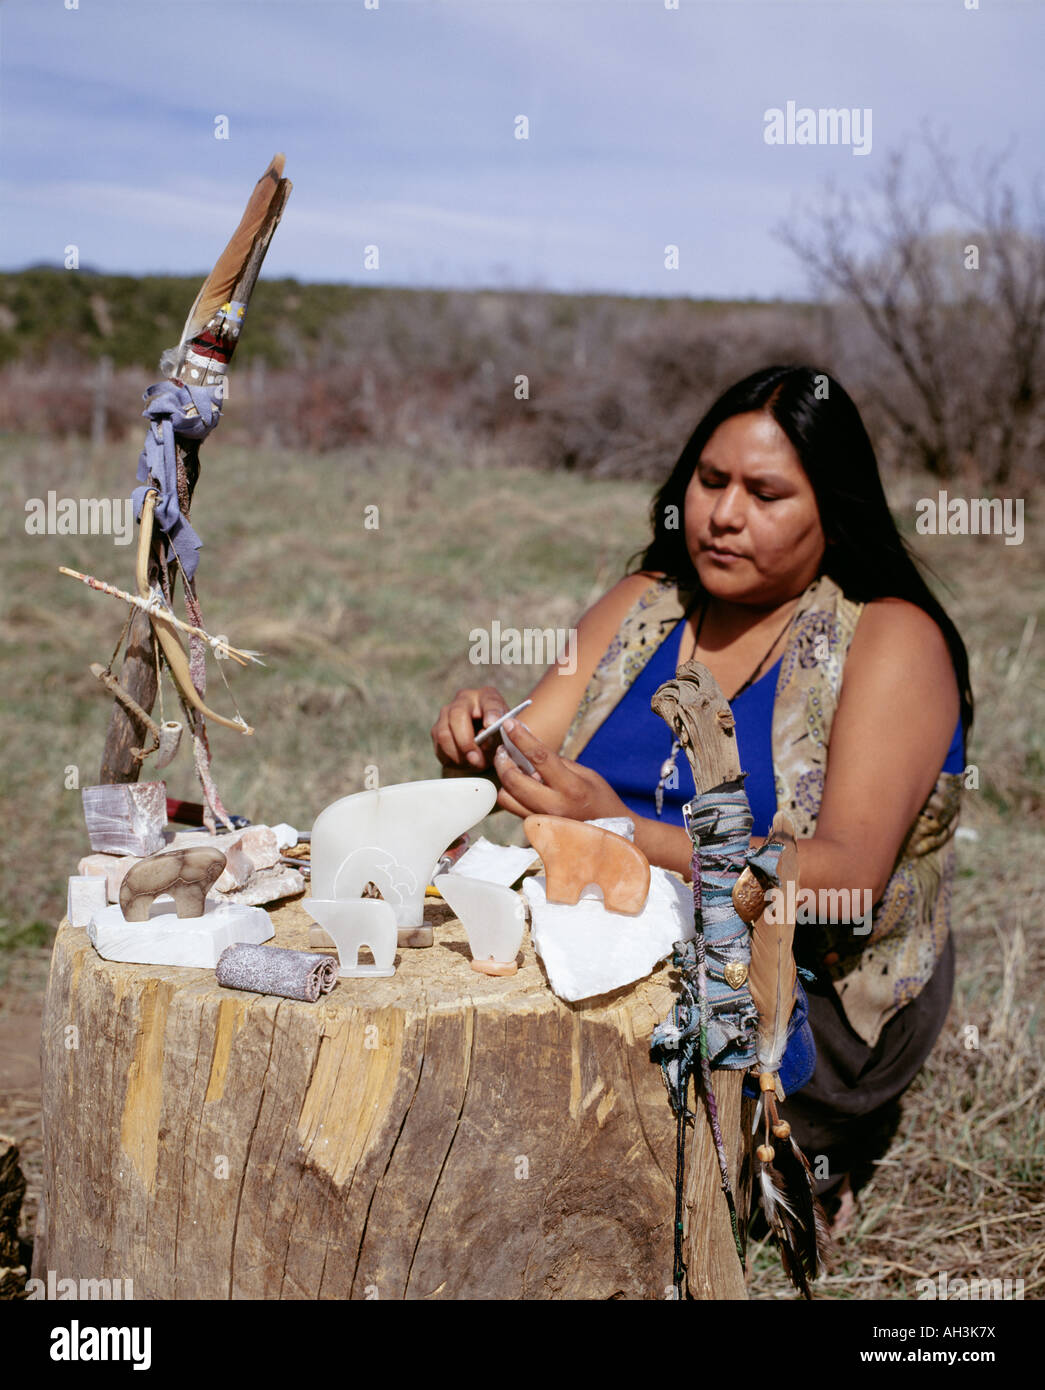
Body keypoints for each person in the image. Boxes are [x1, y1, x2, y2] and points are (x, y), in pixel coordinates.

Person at [431, 365, 972, 1232]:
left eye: (766, 494)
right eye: (711, 481)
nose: (723, 515)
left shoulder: (887, 639)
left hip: (801, 993)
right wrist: (482, 738)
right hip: (625, 920)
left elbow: (843, 878)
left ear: (831, 511)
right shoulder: (646, 603)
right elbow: (541, 761)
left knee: (583, 1165)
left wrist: (621, 828)